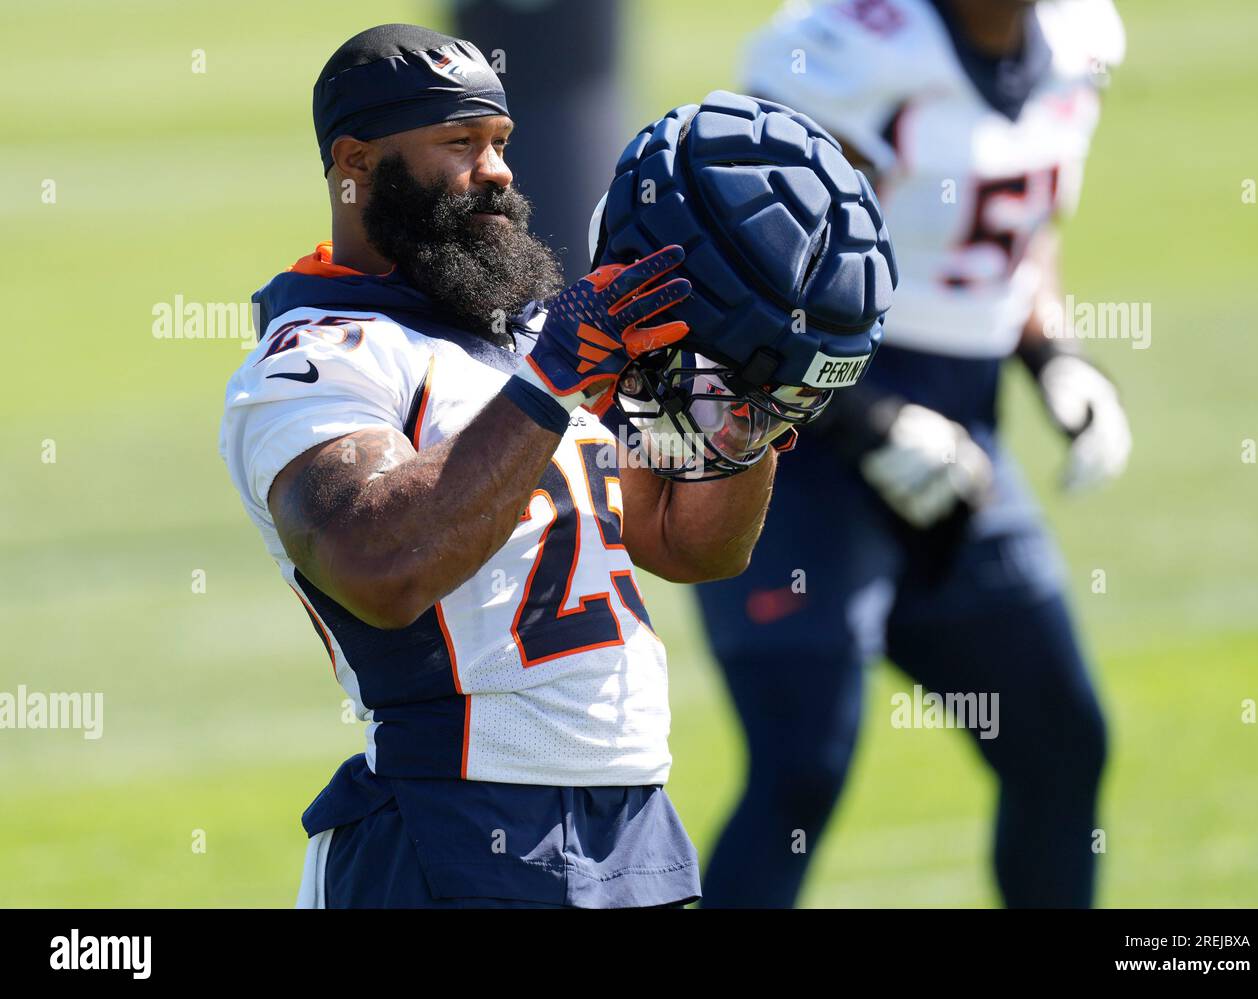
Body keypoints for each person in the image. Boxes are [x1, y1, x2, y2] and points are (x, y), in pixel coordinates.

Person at [218, 24, 778, 908]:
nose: (498, 171)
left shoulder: (527, 337)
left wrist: (745, 416)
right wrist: (552, 378)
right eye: (460, 143)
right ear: (356, 163)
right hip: (448, 827)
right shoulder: (315, 359)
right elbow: (379, 565)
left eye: (502, 143)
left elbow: (685, 540)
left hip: (633, 824)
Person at [695, 0, 1132, 907]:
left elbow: (1018, 221)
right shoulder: (849, 46)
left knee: (1059, 739)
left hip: (960, 440)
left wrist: (1055, 355)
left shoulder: (1080, 37)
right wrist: (871, 421)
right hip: (800, 444)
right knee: (800, 765)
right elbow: (740, 264)